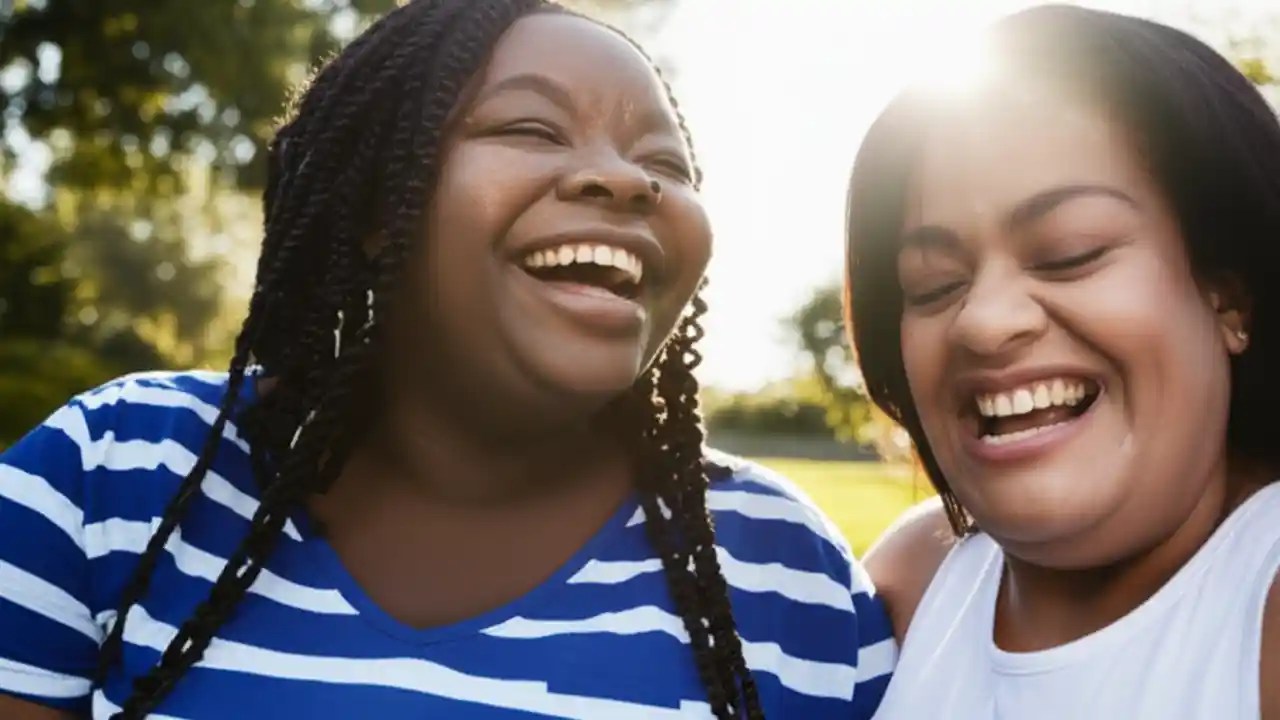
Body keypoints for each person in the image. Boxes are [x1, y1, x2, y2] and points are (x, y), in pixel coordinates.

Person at [0, 1, 896, 718]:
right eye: (533, 130)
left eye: (662, 159)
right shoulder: (114, 475)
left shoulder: (784, 577)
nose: (627, 180)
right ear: (377, 203)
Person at [844, 5, 1279, 719]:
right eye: (934, 285)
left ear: (1228, 299)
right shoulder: (909, 584)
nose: (983, 322)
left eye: (1071, 252)